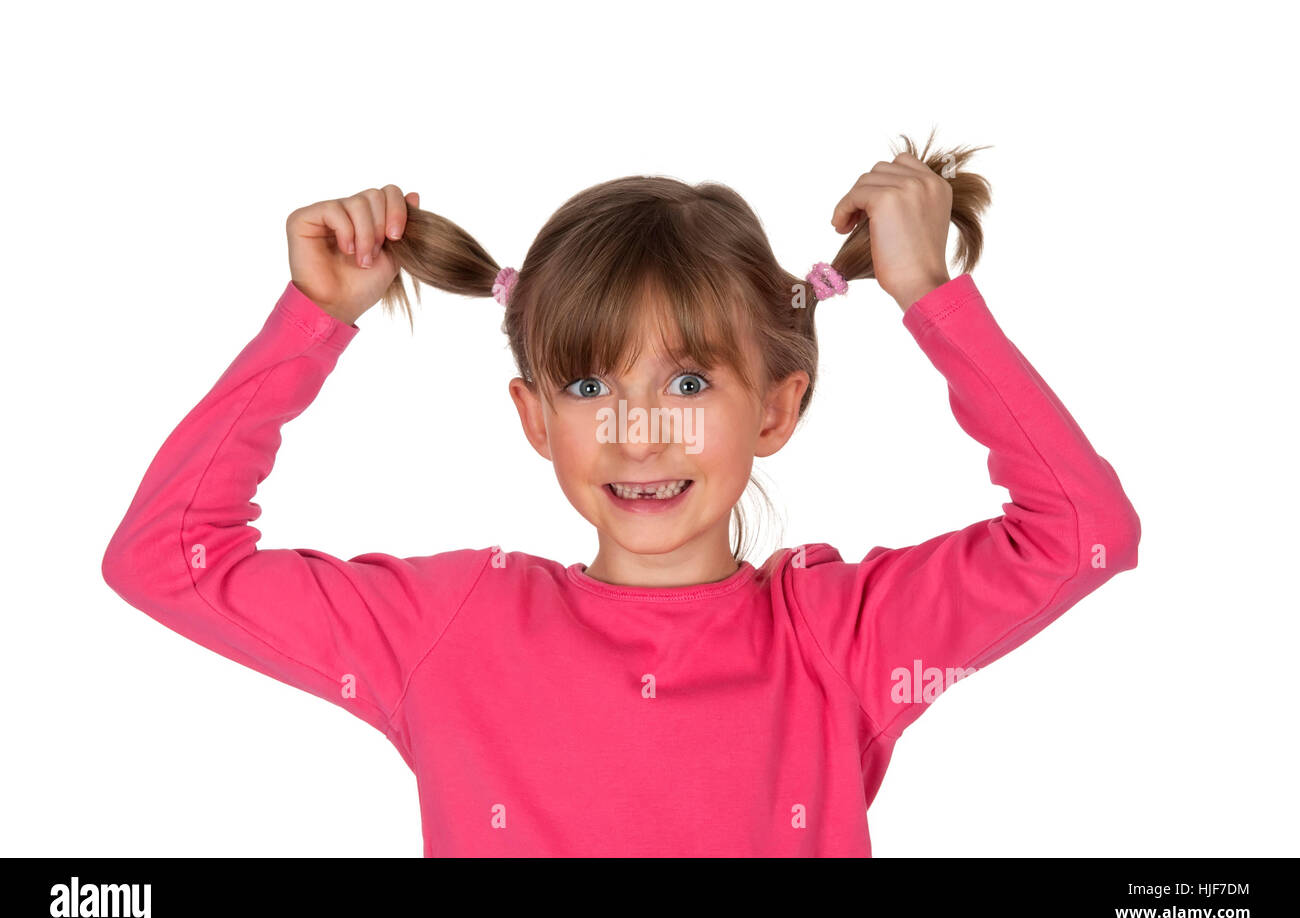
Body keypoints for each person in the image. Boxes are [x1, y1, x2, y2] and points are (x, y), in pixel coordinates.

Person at [102, 131, 1141, 856]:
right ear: (534, 417)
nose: (637, 428)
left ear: (776, 412)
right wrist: (311, 317)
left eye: (688, 383)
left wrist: (930, 296)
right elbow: (164, 559)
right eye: (591, 384)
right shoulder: (449, 629)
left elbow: (1085, 533)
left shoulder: (841, 639)